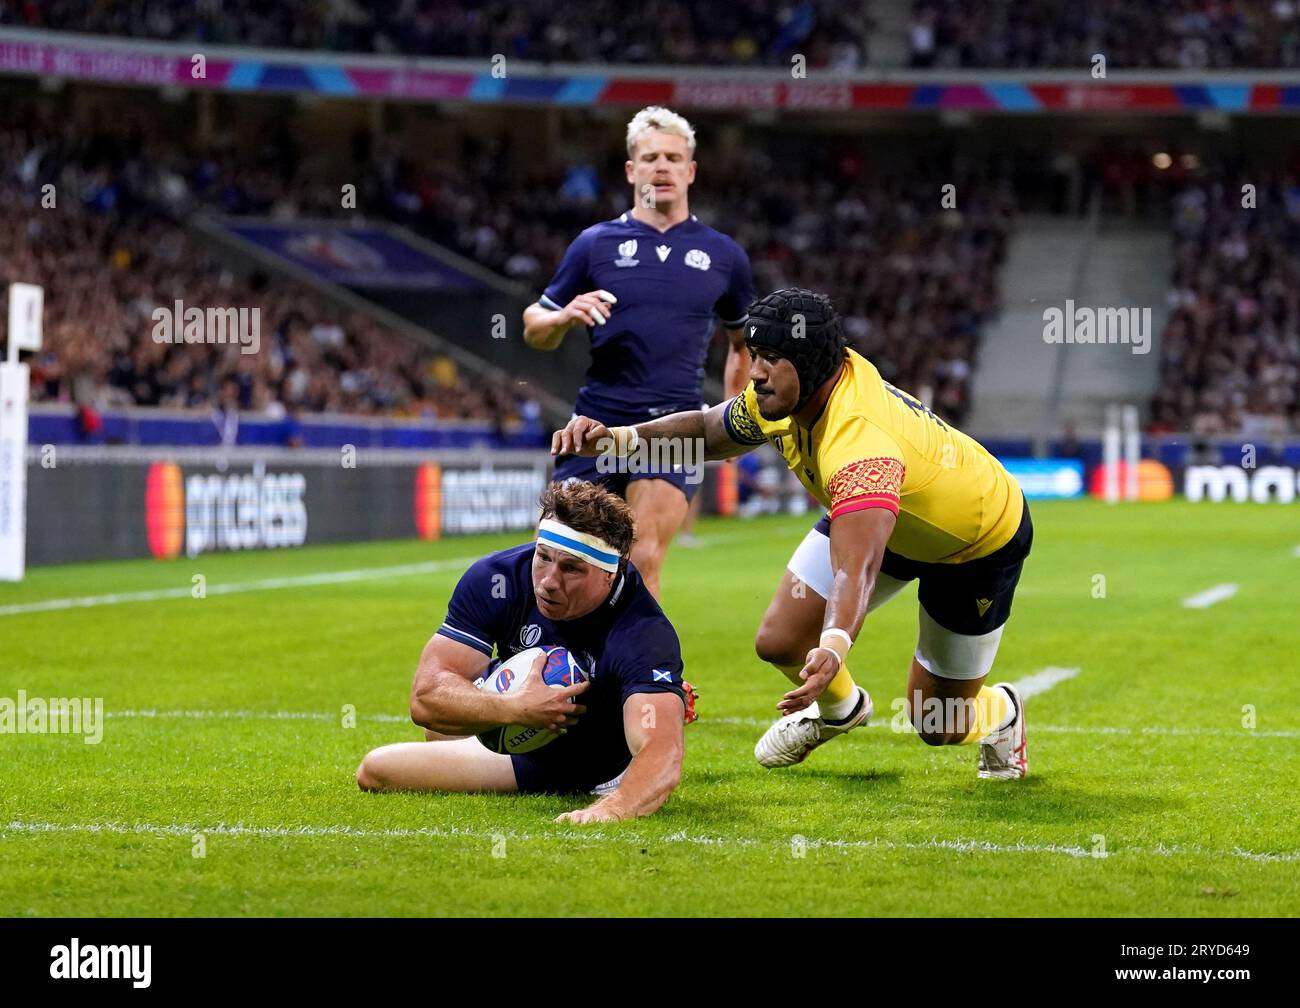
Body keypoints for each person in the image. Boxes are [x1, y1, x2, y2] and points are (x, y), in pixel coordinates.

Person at [552, 288, 1034, 781]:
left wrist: (835, 644)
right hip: (883, 514)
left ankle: (1005, 714)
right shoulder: (786, 392)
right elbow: (707, 428)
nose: (755, 372)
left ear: (808, 365)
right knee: (781, 640)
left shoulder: (860, 440)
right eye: (755, 355)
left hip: (973, 542)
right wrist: (620, 438)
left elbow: (857, 567)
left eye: (771, 359)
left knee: (938, 723)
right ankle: (841, 710)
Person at [522, 105, 755, 598]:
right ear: (632, 170)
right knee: (557, 559)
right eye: (651, 157)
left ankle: (643, 672)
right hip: (594, 425)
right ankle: (557, 667)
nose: (662, 167)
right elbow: (532, 326)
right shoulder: (595, 244)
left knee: (642, 554)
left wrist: (736, 418)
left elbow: (742, 346)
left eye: (674, 157)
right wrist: (563, 317)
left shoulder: (725, 256)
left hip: (675, 428)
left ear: (691, 170)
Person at [356, 481, 693, 822]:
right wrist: (515, 708)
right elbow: (426, 698)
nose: (548, 580)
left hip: (581, 762)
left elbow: (664, 752)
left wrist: (614, 808)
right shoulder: (497, 579)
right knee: (425, 736)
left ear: (609, 574)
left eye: (571, 568)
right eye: (543, 557)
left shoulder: (644, 632)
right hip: (518, 728)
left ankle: (611, 778)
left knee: (380, 767)